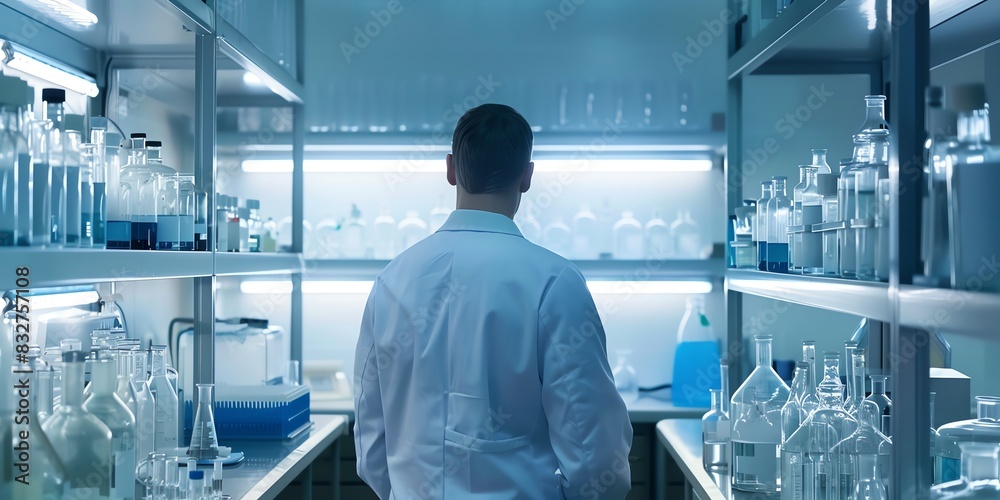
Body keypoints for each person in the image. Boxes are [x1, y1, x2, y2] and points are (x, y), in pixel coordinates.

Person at [354, 103, 632, 499]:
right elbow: (595, 452)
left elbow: (370, 440)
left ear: (450, 169)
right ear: (527, 177)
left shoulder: (392, 280)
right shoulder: (554, 282)